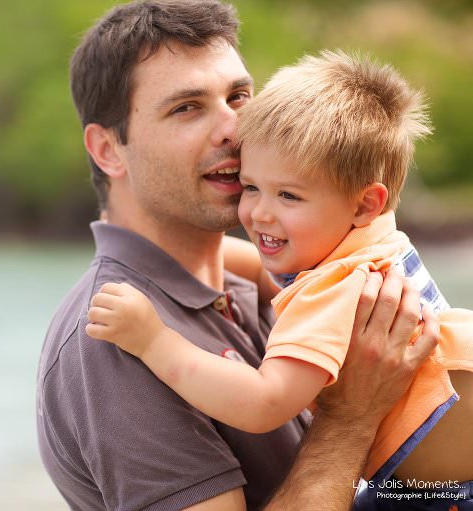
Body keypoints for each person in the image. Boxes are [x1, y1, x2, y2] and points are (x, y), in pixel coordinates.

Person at [36, 2, 438, 510]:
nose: (235, 129)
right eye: (187, 107)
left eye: (239, 96)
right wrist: (349, 419)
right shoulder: (115, 339)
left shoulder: (270, 271)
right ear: (108, 149)